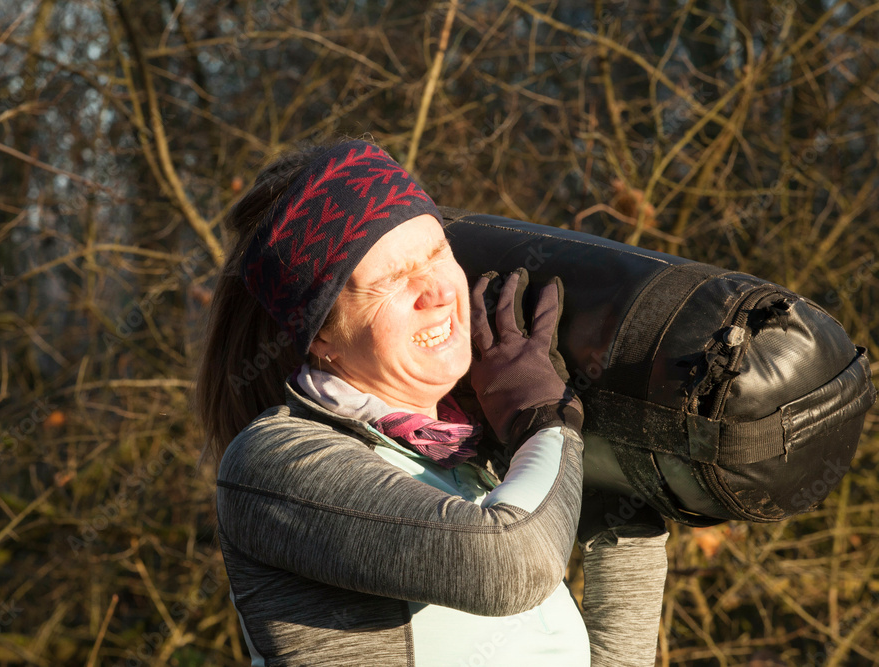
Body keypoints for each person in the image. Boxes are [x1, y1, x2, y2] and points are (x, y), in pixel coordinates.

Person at [197, 138, 669, 666]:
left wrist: (622, 497)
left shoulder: (476, 458)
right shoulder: (274, 462)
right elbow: (512, 568)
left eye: (437, 252)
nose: (438, 291)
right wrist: (546, 421)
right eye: (391, 281)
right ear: (321, 337)